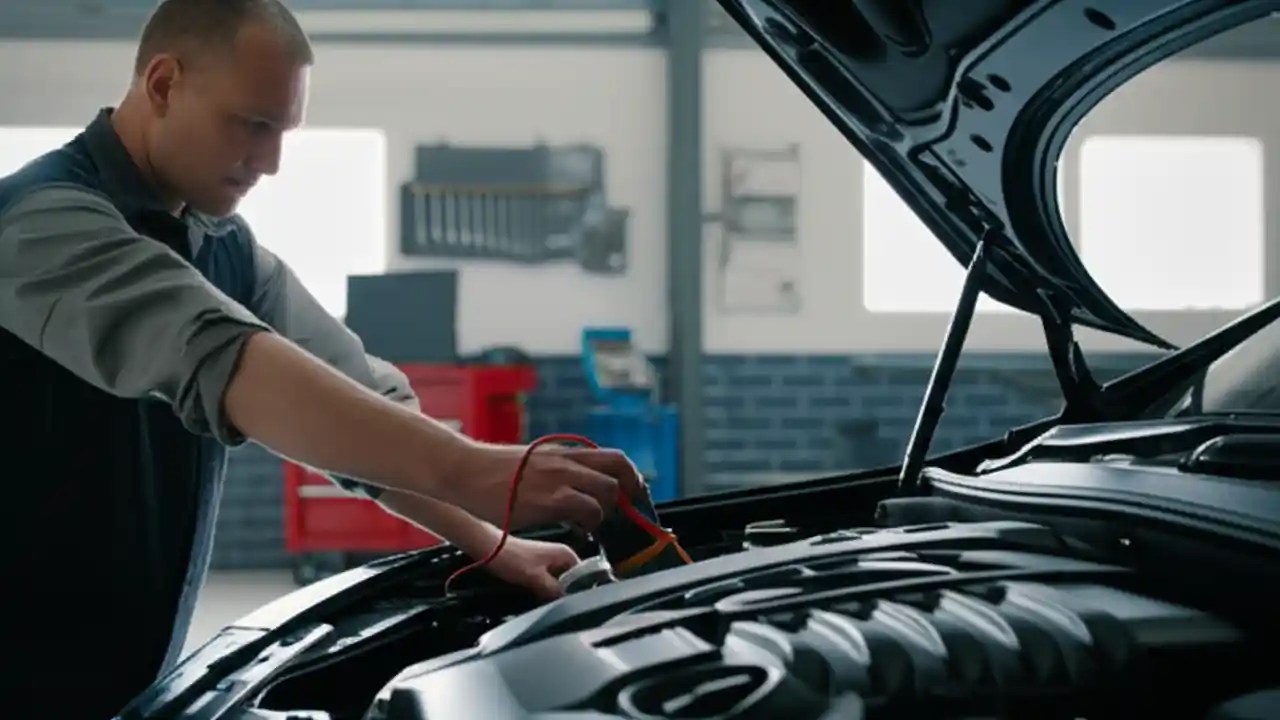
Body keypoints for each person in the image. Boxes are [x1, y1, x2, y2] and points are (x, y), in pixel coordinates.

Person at [0, 1, 645, 717]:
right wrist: (479, 471)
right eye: (252, 125)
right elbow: (225, 358)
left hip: (127, 675)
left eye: (285, 132)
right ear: (162, 84)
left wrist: (494, 544)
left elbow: (359, 395)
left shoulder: (225, 248)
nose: (271, 162)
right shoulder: (35, 224)